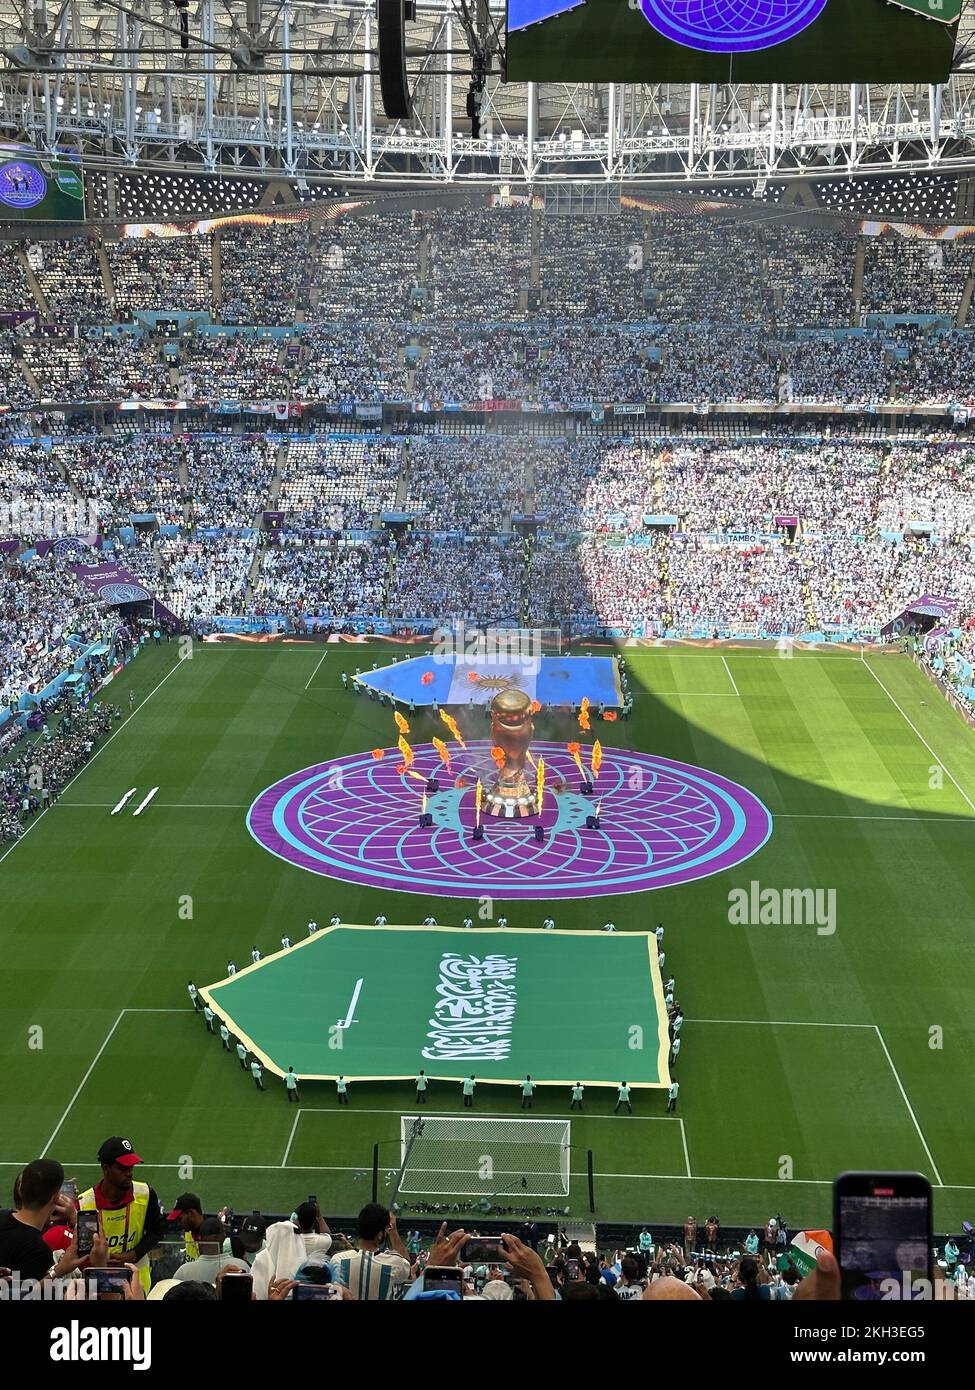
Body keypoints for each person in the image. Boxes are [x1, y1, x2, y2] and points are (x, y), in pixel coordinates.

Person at [77, 1138, 167, 1293]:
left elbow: (157, 1231)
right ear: (106, 1168)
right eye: (123, 1168)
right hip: (99, 1287)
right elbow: (80, 1250)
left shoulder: (145, 1193)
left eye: (131, 1167)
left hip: (138, 1285)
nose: (129, 1173)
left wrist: (133, 1254)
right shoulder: (84, 1204)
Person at [0, 1159, 91, 1281]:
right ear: (56, 1197)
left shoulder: (2, 1215)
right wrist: (59, 1271)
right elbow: (28, 1294)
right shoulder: (38, 1249)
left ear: (22, 1190)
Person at [330, 1203, 410, 1301]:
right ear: (380, 1235)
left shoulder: (338, 1260)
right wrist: (393, 1231)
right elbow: (406, 1265)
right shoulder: (394, 1262)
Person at [167, 1193, 205, 1261]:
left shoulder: (212, 1236)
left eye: (180, 1218)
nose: (178, 1223)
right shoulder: (188, 1233)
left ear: (191, 1213)